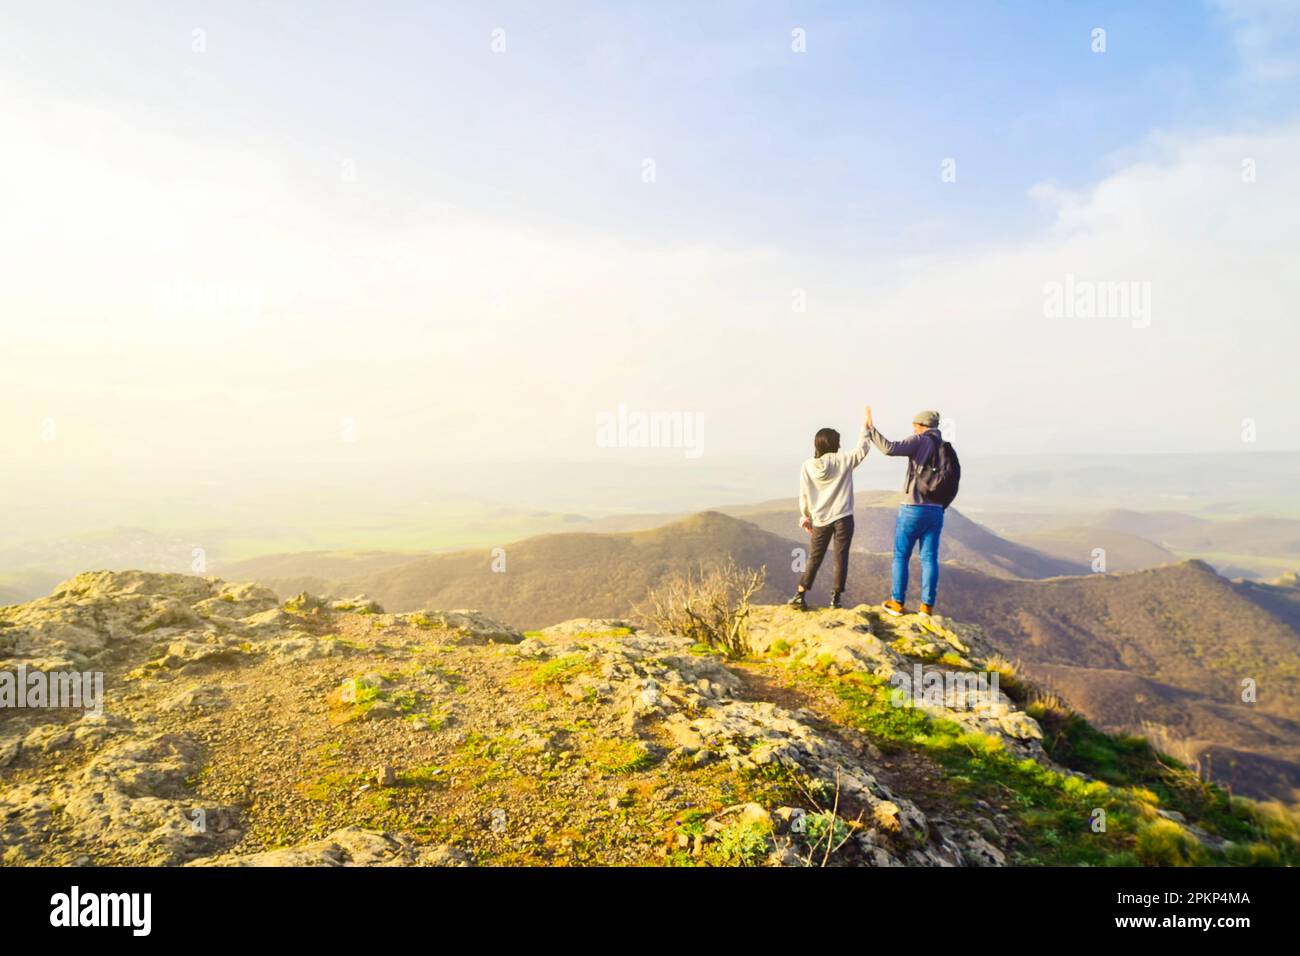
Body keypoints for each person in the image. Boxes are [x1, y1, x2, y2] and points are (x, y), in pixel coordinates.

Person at [788, 406, 872, 610]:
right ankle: (836, 599)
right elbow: (862, 450)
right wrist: (865, 428)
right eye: (838, 441)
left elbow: (804, 494)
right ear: (834, 444)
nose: (841, 444)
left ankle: (800, 595)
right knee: (840, 557)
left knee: (814, 557)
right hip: (843, 517)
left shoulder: (807, 465)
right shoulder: (843, 460)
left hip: (821, 519)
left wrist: (805, 517)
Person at [866, 408, 948, 617]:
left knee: (901, 556)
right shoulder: (945, 447)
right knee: (929, 558)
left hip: (913, 507)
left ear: (922, 426)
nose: (913, 429)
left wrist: (870, 429)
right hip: (936, 510)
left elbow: (889, 449)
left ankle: (897, 602)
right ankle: (926, 607)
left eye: (914, 426)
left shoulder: (920, 440)